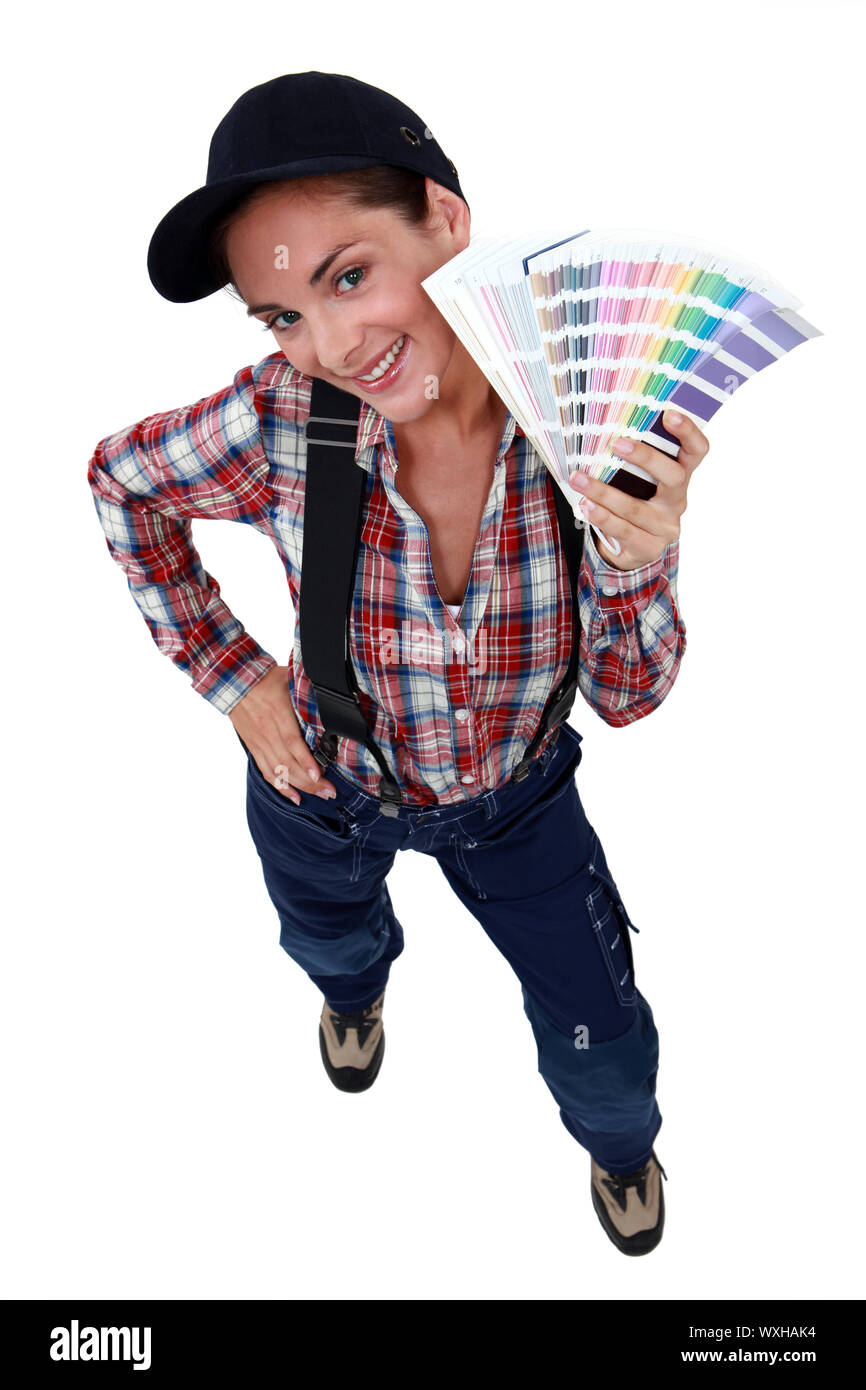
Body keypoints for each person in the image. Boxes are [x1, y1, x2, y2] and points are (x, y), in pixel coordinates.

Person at [87, 71, 708, 1256]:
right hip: (325, 788)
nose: (326, 345)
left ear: (444, 217)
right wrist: (234, 676)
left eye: (350, 276)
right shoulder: (277, 419)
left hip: (521, 805)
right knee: (325, 934)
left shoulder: (585, 408)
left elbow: (628, 696)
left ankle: (620, 1148)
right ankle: (353, 992)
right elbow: (119, 480)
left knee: (606, 1038)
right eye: (280, 315)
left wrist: (638, 552)